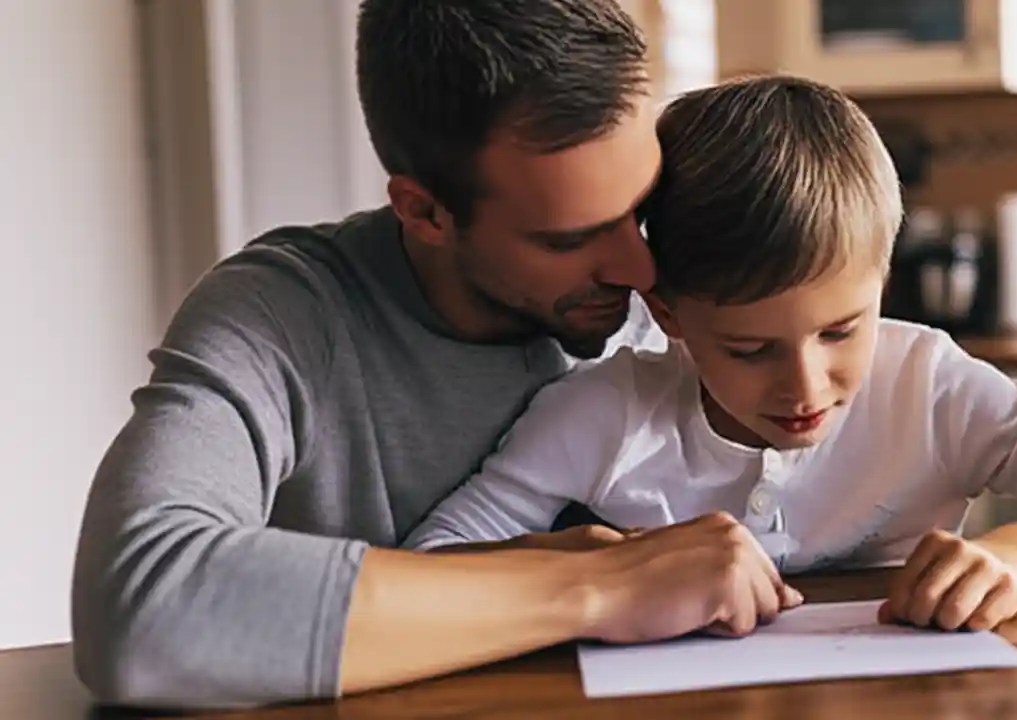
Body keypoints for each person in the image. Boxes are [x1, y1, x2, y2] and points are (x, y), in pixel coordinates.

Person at [71, 1, 802, 709]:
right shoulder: (280, 315)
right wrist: (601, 587)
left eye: (638, 209)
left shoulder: (674, 286)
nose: (641, 272)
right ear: (424, 211)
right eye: (570, 239)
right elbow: (139, 608)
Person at [412, 75, 1017, 634]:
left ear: (882, 285)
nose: (805, 386)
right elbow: (427, 569)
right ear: (668, 315)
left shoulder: (929, 385)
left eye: (840, 331)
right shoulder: (606, 412)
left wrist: (1012, 558)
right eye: (749, 348)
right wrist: (610, 573)